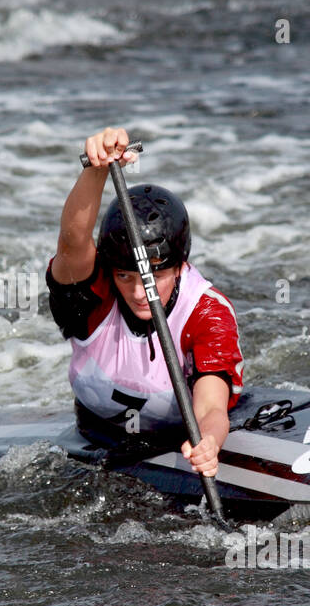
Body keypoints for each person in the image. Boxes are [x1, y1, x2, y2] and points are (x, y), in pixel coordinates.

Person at [46, 127, 244, 479]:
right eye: (126, 276)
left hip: (176, 439)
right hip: (94, 435)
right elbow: (74, 240)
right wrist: (97, 167)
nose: (139, 292)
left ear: (181, 265)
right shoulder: (96, 296)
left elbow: (211, 406)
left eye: (154, 276)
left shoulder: (207, 313)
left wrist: (209, 443)